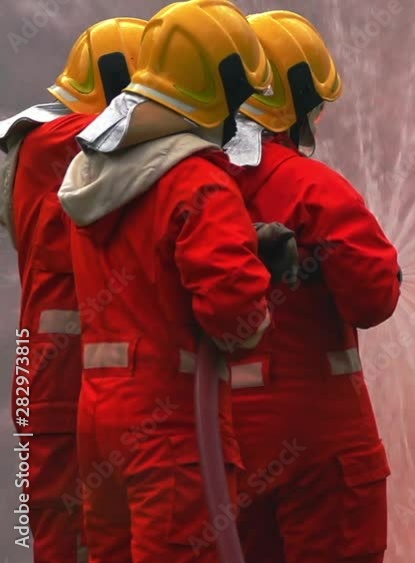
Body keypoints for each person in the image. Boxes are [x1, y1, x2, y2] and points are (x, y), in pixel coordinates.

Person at [56, 1, 293, 560]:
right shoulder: (197, 184)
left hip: (99, 419)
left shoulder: (90, 176)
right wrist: (259, 275)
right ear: (217, 89)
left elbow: (142, 268)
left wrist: (239, 243)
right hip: (171, 425)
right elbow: (236, 319)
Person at [223, 11, 401, 562]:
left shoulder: (189, 183)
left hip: (225, 442)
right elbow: (374, 297)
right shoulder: (312, 187)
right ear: (294, 103)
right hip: (321, 442)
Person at [0, 17, 145, 562]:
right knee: (73, 540)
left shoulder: (41, 146)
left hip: (49, 374)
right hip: (66, 379)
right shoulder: (64, 142)